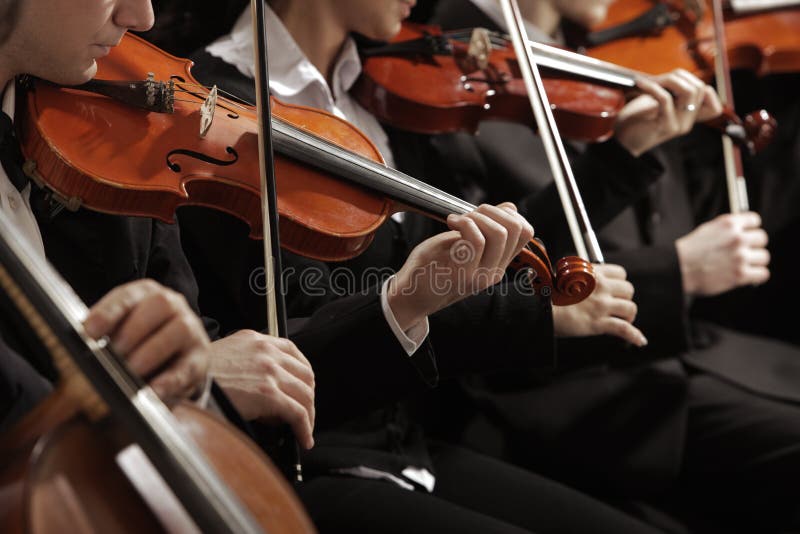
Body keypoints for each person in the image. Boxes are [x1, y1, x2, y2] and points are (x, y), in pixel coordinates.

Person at [171, 0, 679, 532]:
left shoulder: (383, 90)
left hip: (413, 448)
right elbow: (308, 331)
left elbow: (475, 246)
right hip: (312, 464)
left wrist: (623, 156)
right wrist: (518, 315)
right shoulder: (212, 111)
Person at [420, 0, 800, 532]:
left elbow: (697, 207)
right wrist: (677, 270)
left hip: (695, 356)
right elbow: (481, 282)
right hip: (575, 392)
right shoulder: (447, 69)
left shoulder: (615, 49)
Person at [0, 0, 316, 458]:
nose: (142, 17)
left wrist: (196, 379)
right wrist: (154, 388)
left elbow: (202, 358)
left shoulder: (111, 135)